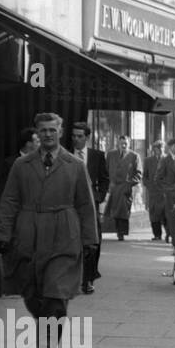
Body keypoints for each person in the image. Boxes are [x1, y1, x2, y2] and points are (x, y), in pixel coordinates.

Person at [0, 112, 99, 348]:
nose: (48, 134)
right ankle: (43, 326)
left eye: (52, 130)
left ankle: (47, 343)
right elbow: (9, 201)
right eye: (43, 131)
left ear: (60, 132)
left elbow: (85, 204)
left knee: (55, 293)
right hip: (28, 235)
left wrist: (89, 239)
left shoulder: (75, 165)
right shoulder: (22, 165)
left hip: (64, 234)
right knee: (31, 294)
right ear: (37, 134)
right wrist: (3, 234)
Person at [68, 121, 108, 294]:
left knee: (93, 242)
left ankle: (89, 278)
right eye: (74, 136)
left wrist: (98, 197)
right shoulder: (65, 155)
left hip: (91, 206)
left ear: (87, 137)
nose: (76, 139)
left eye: (80, 136)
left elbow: (105, 179)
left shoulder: (97, 156)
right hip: (69, 205)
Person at [105, 136, 141, 241]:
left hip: (126, 188)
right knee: (115, 211)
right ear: (118, 143)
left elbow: (139, 173)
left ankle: (122, 232)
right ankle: (118, 231)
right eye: (122, 143)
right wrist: (108, 183)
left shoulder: (134, 156)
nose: (124, 145)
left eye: (126, 143)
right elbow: (106, 169)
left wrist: (129, 184)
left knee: (124, 211)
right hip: (114, 187)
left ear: (129, 144)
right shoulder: (111, 155)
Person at [144, 139, 165, 241]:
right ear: (154, 150)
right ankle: (157, 234)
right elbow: (145, 177)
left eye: (161, 148)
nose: (160, 150)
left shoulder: (167, 159)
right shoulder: (148, 161)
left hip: (165, 192)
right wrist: (150, 186)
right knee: (154, 214)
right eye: (158, 148)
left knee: (166, 213)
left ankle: (169, 233)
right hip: (153, 192)